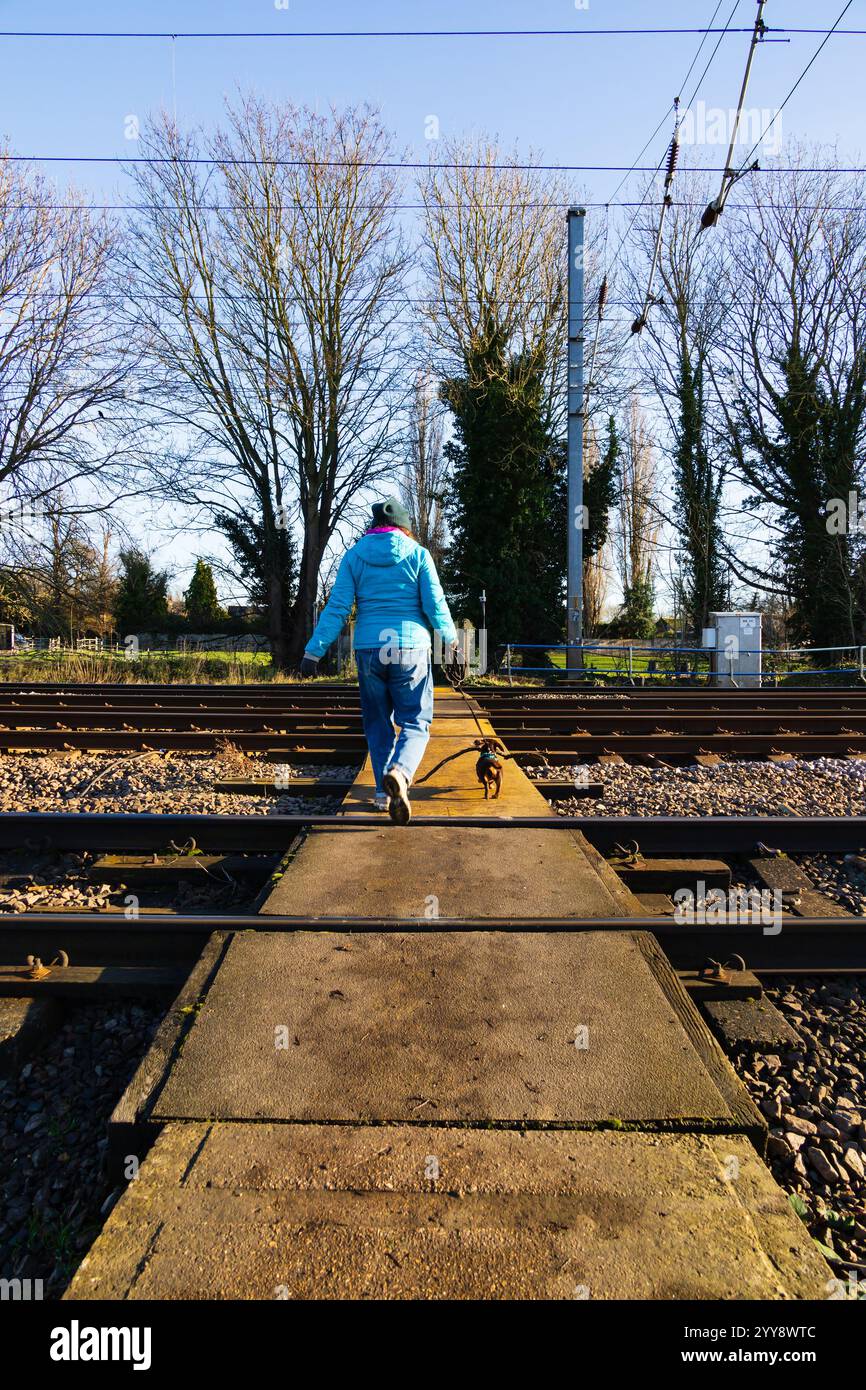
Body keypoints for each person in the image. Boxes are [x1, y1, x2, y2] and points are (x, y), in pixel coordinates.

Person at [300, 498, 457, 824]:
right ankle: (399, 773)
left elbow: (337, 609)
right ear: (405, 527)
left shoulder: (355, 556)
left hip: (370, 648)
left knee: (377, 723)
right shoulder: (418, 555)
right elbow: (435, 606)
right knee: (415, 720)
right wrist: (453, 644)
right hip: (410, 647)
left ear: (374, 527)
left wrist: (313, 651)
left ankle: (383, 794)